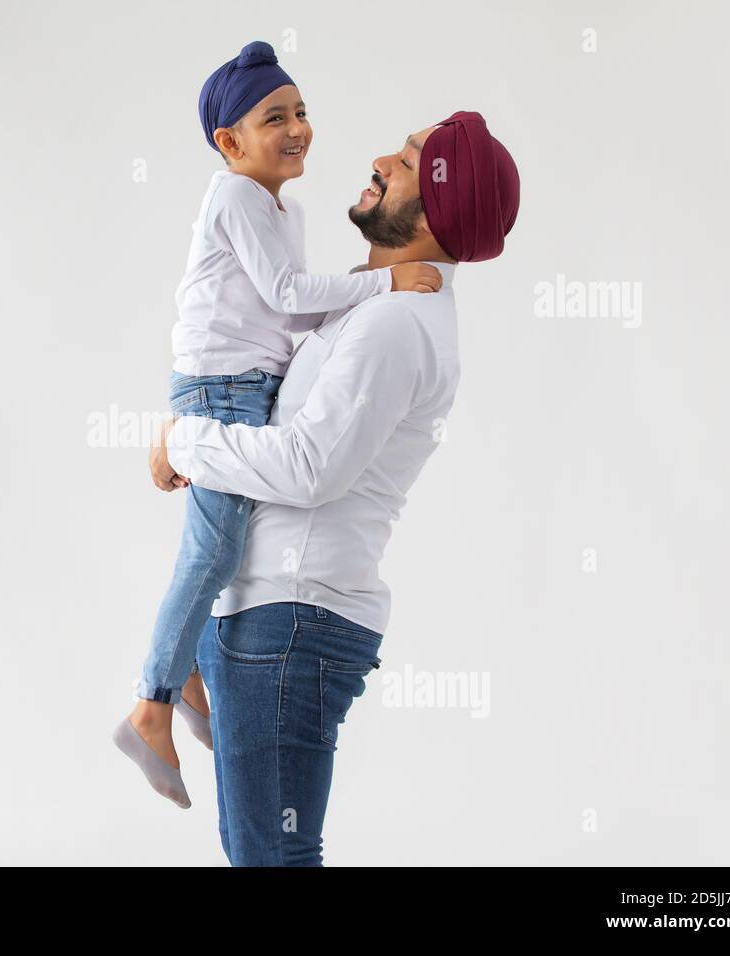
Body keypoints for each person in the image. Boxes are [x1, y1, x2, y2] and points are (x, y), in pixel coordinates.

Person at [150, 112, 521, 864]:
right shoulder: (375, 305)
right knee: (260, 851)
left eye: (411, 160)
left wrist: (185, 439)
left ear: (441, 203)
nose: (383, 158)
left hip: (291, 622)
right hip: (274, 617)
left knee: (272, 858)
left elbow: (311, 468)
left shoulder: (396, 324)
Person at [113, 41, 441, 810]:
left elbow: (286, 308)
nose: (297, 128)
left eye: (301, 112)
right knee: (216, 549)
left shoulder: (278, 208)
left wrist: (367, 288)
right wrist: (382, 280)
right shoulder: (232, 197)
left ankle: (185, 686)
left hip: (243, 387)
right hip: (222, 390)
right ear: (229, 143)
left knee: (215, 547)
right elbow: (291, 296)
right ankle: (151, 704)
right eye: (274, 118)